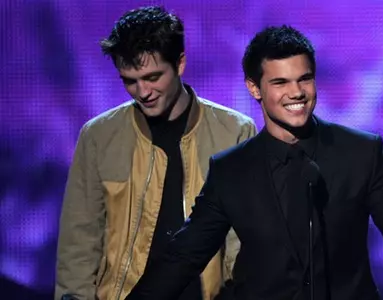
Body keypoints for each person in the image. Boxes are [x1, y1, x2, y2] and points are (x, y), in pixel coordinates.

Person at [125, 25, 383, 300]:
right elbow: (184, 256)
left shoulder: (361, 151)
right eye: (280, 83)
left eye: (304, 79)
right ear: (254, 88)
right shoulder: (231, 170)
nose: (296, 92)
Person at [54, 6, 256, 300]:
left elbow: (242, 241)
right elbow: (80, 241)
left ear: (180, 63)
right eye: (130, 81)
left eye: (152, 77)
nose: (142, 91)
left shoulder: (234, 130)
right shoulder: (98, 136)